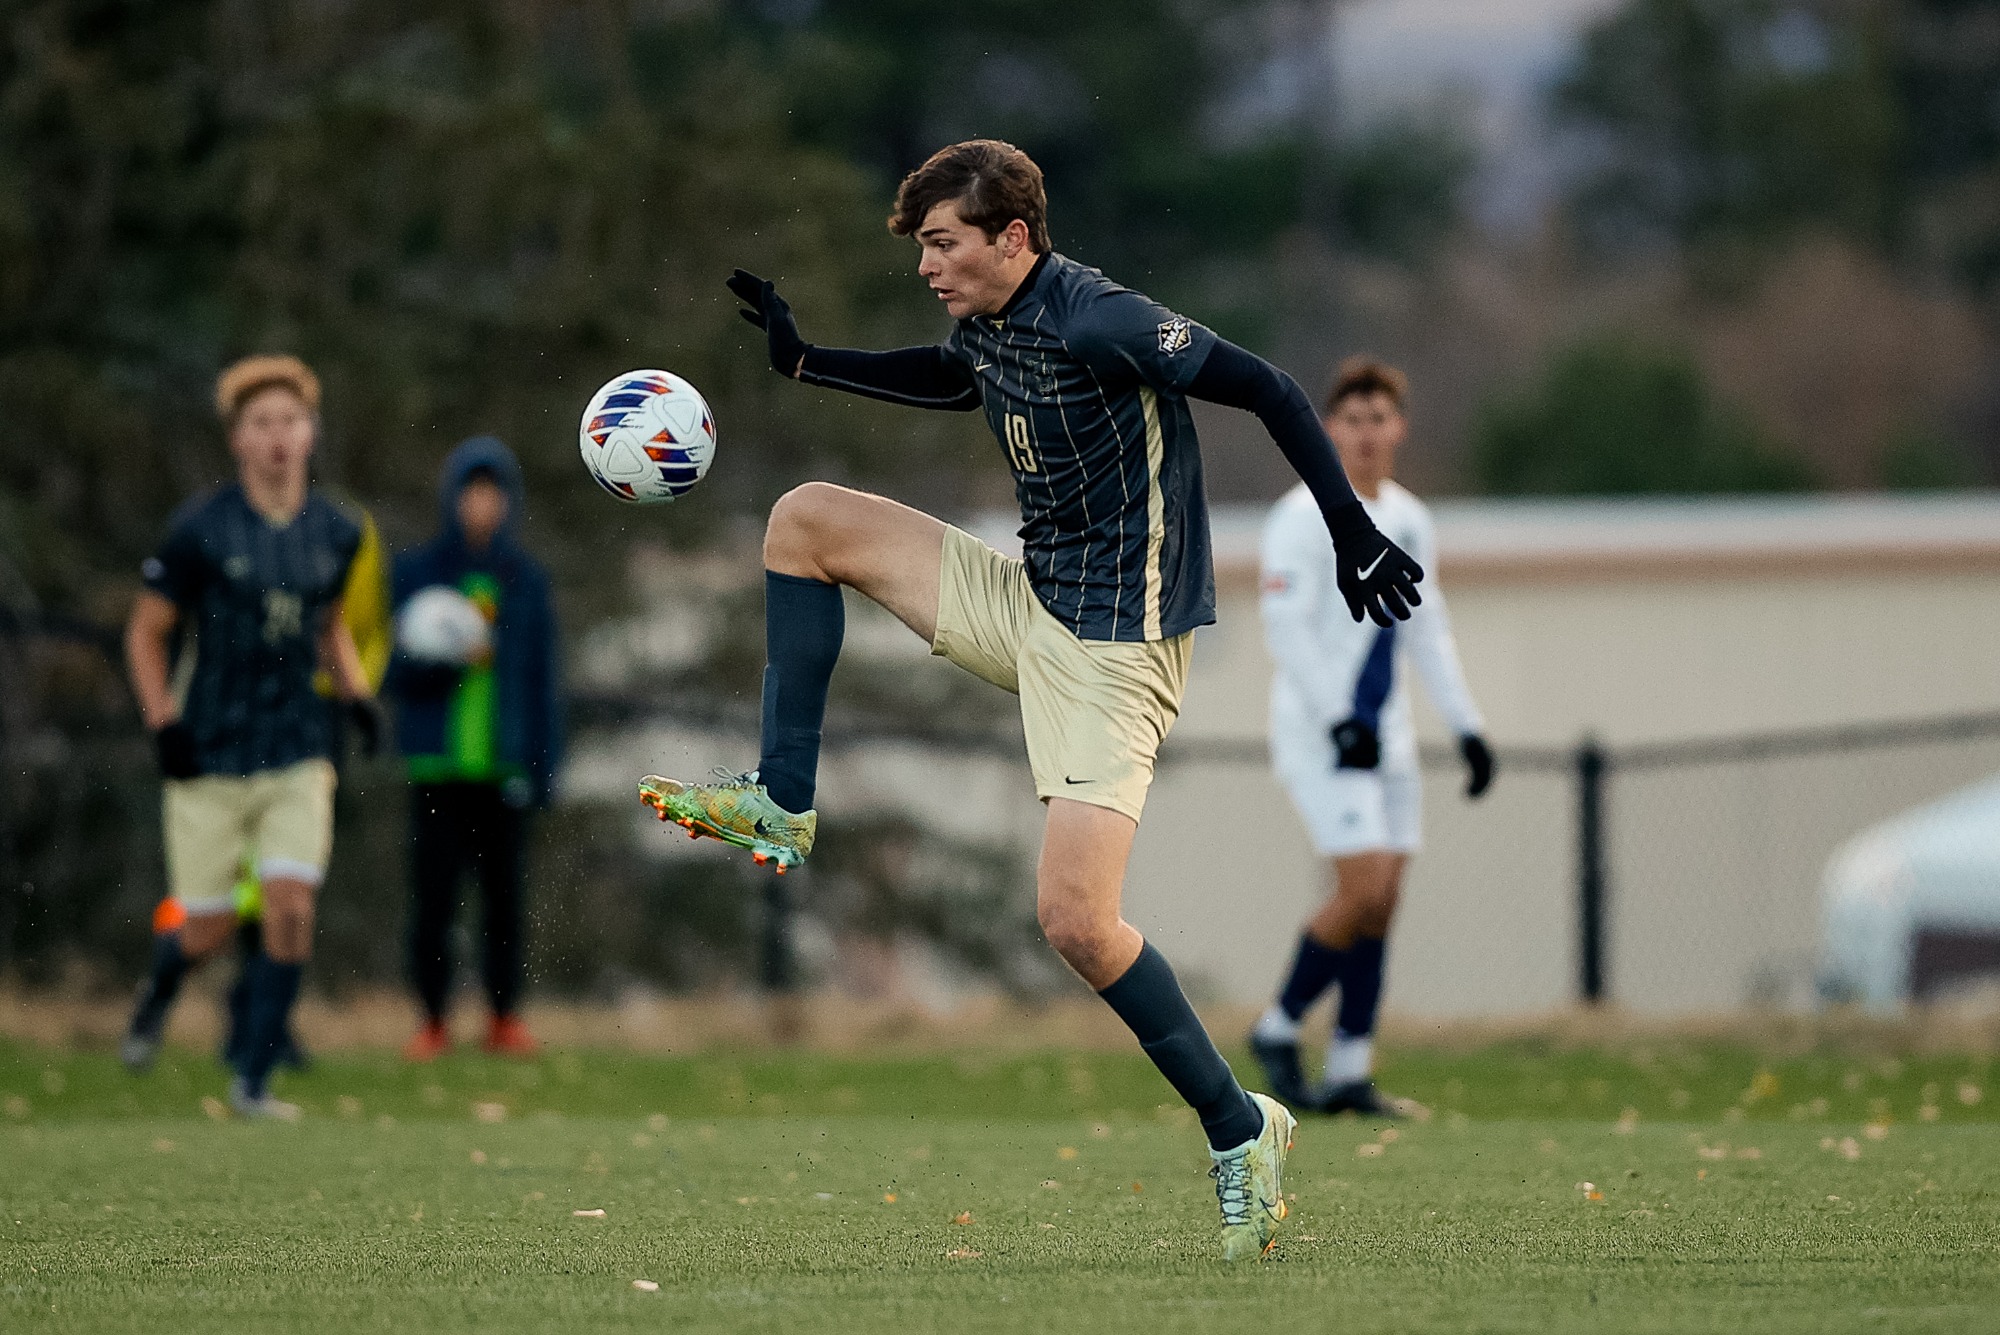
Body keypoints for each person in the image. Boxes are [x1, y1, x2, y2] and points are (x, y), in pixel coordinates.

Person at [637, 140, 1424, 1262]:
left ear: (1012, 237)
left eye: (944, 244)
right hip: (1030, 606)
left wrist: (1353, 535)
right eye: (923, 249)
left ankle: (1241, 1128)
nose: (929, 267)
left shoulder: (1100, 319)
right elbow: (957, 377)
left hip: (1116, 653)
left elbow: (1271, 389)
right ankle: (782, 798)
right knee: (804, 519)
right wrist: (805, 362)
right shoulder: (990, 323)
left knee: (1074, 923)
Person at [122, 354, 380, 1118]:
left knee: (290, 905)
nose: (277, 437)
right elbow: (144, 633)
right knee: (203, 928)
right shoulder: (202, 529)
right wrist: (161, 722)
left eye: (289, 422)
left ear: (310, 434)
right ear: (238, 439)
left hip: (298, 746)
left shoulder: (337, 529)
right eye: (261, 423)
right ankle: (160, 987)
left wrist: (359, 697)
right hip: (209, 749)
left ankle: (254, 1080)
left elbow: (329, 625)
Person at [1248, 358, 1494, 1117]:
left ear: (1399, 428)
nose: (1364, 432)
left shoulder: (1413, 518)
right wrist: (1338, 719)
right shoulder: (1299, 515)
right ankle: (1278, 1025)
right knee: (1363, 884)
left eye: (1377, 417)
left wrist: (1468, 726)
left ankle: (1351, 1067)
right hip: (1324, 735)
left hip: (1385, 736)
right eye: (1350, 418)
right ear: (1328, 429)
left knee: (1385, 898)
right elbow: (1287, 628)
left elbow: (1426, 627)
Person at [389, 436, 561, 1061]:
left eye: (493, 494)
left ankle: (503, 1018)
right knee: (434, 900)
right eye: (471, 493)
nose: (481, 506)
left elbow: (543, 680)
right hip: (437, 768)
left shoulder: (525, 580)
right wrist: (443, 659)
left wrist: (546, 766)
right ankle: (432, 1020)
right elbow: (395, 673)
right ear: (453, 499)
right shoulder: (418, 574)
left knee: (504, 903)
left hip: (503, 768)